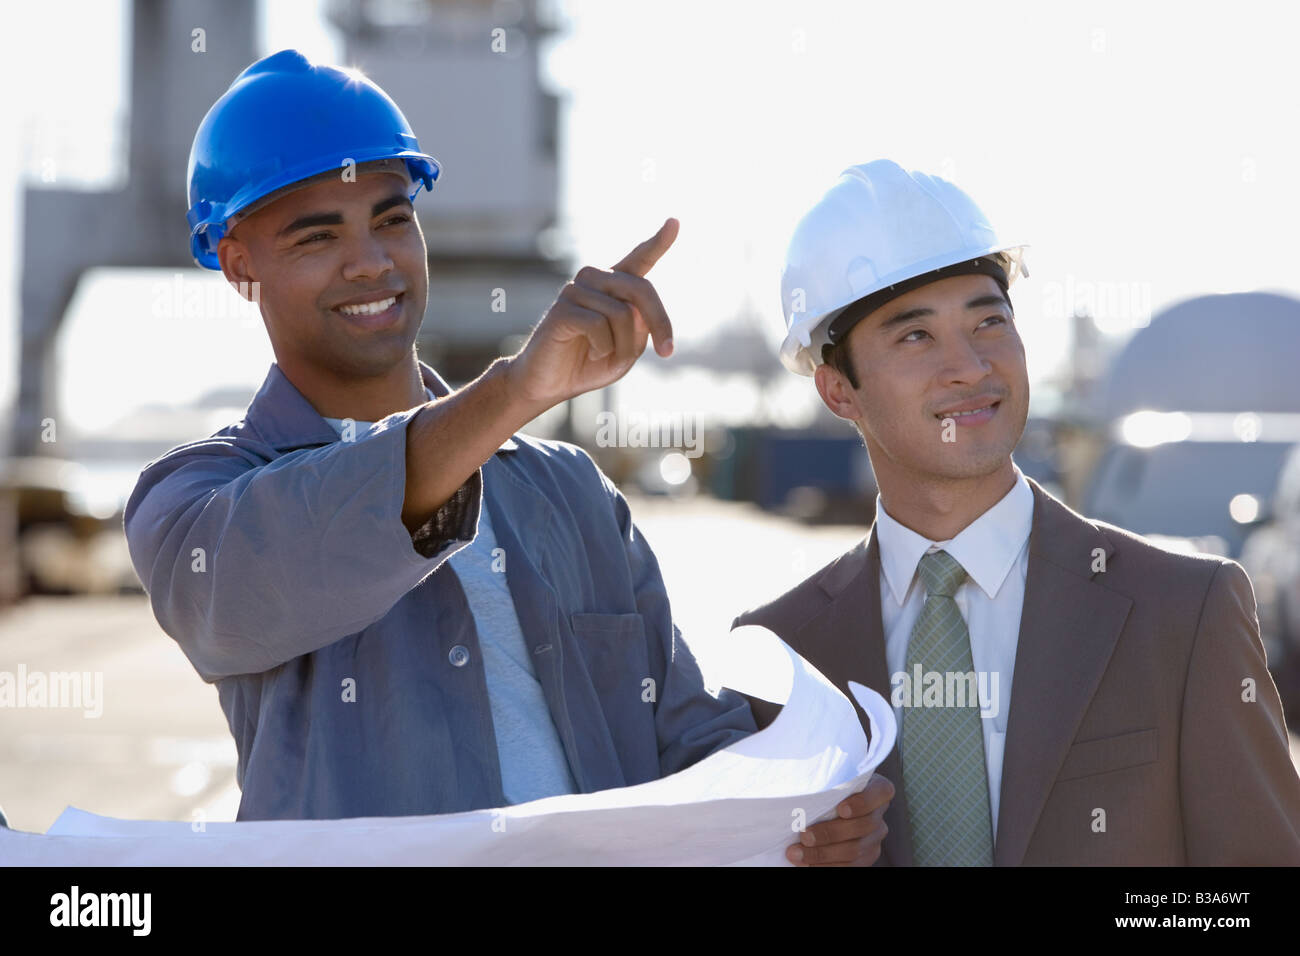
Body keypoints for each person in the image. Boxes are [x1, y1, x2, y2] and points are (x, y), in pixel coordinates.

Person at [124, 48, 760, 824]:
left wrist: (795, 805)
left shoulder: (571, 492)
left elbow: (686, 741)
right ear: (237, 265)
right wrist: (517, 388)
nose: (371, 262)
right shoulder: (192, 504)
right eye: (317, 238)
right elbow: (288, 554)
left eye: (393, 220)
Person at [734, 159, 1300, 865]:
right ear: (837, 390)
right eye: (916, 336)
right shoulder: (775, 655)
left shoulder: (1185, 613)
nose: (971, 366)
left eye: (989, 321)